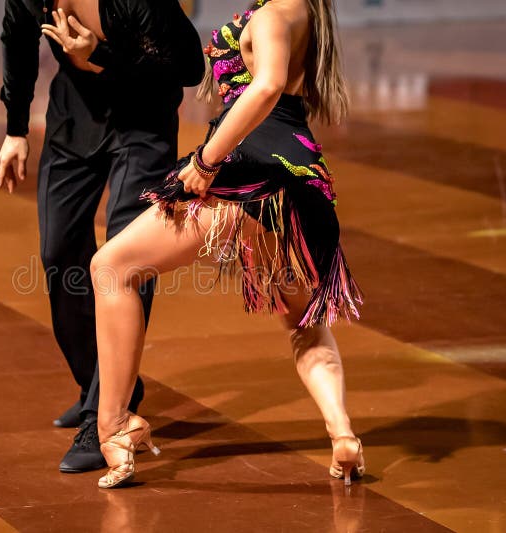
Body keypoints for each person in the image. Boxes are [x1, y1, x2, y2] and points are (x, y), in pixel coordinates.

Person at [91, 0, 366, 488]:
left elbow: (268, 85)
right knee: (303, 326)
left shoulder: (273, 14)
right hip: (299, 186)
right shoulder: (307, 11)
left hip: (251, 176)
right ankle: (342, 434)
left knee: (111, 267)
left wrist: (206, 160)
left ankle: (114, 427)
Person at [0, 0, 204, 473]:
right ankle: (100, 380)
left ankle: (104, 415)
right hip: (74, 112)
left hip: (143, 119)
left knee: (124, 261)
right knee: (58, 253)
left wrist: (102, 55)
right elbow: (17, 38)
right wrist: (15, 129)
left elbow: (189, 67)